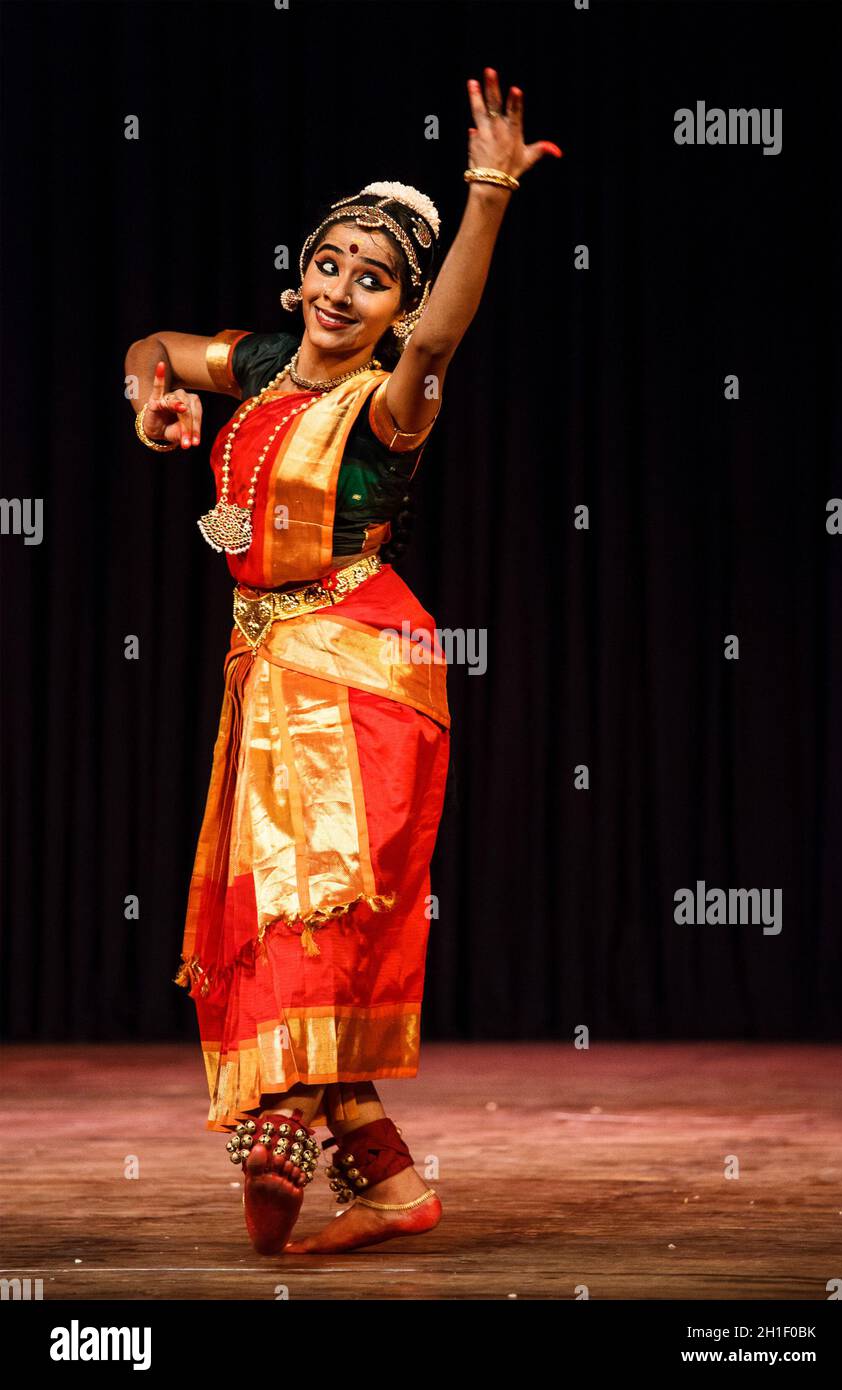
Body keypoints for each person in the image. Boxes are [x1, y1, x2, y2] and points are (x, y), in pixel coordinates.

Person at [124, 69, 561, 1256]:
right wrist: (148, 397)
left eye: (373, 280)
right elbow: (153, 343)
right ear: (299, 271)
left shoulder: (392, 403)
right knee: (273, 915)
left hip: (361, 666)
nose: (342, 290)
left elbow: (446, 331)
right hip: (271, 667)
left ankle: (286, 1123)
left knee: (311, 914)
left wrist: (485, 196)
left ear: (394, 311)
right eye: (331, 264)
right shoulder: (264, 361)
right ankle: (386, 1177)